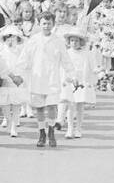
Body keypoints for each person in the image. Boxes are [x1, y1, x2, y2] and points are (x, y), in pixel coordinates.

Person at [20, 10, 74, 147]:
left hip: (52, 78)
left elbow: (66, 60)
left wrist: (71, 75)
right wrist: (20, 73)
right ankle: (41, 133)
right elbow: (24, 58)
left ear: (53, 24)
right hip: (37, 77)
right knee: (39, 108)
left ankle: (51, 132)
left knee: (51, 106)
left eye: (49, 23)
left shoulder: (58, 41)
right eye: (44, 23)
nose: (46, 26)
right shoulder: (34, 40)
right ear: (39, 24)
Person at [59, 26, 98, 140]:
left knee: (80, 107)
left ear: (81, 41)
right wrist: (65, 79)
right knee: (70, 106)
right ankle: (70, 128)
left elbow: (93, 67)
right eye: (72, 40)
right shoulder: (67, 53)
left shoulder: (87, 54)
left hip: (82, 82)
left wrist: (99, 72)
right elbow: (63, 68)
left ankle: (78, 128)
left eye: (76, 40)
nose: (74, 43)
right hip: (71, 82)